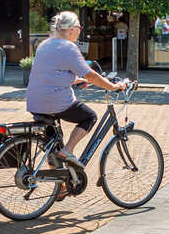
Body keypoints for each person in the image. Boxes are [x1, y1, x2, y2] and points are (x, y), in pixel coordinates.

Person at [27, 11, 125, 193]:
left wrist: (74, 81)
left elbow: (49, 74)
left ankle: (61, 186)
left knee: (53, 143)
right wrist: (112, 86)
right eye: (79, 28)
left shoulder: (44, 44)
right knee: (89, 117)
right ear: (71, 29)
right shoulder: (68, 48)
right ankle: (69, 149)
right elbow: (90, 74)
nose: (80, 31)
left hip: (35, 101)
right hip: (55, 101)